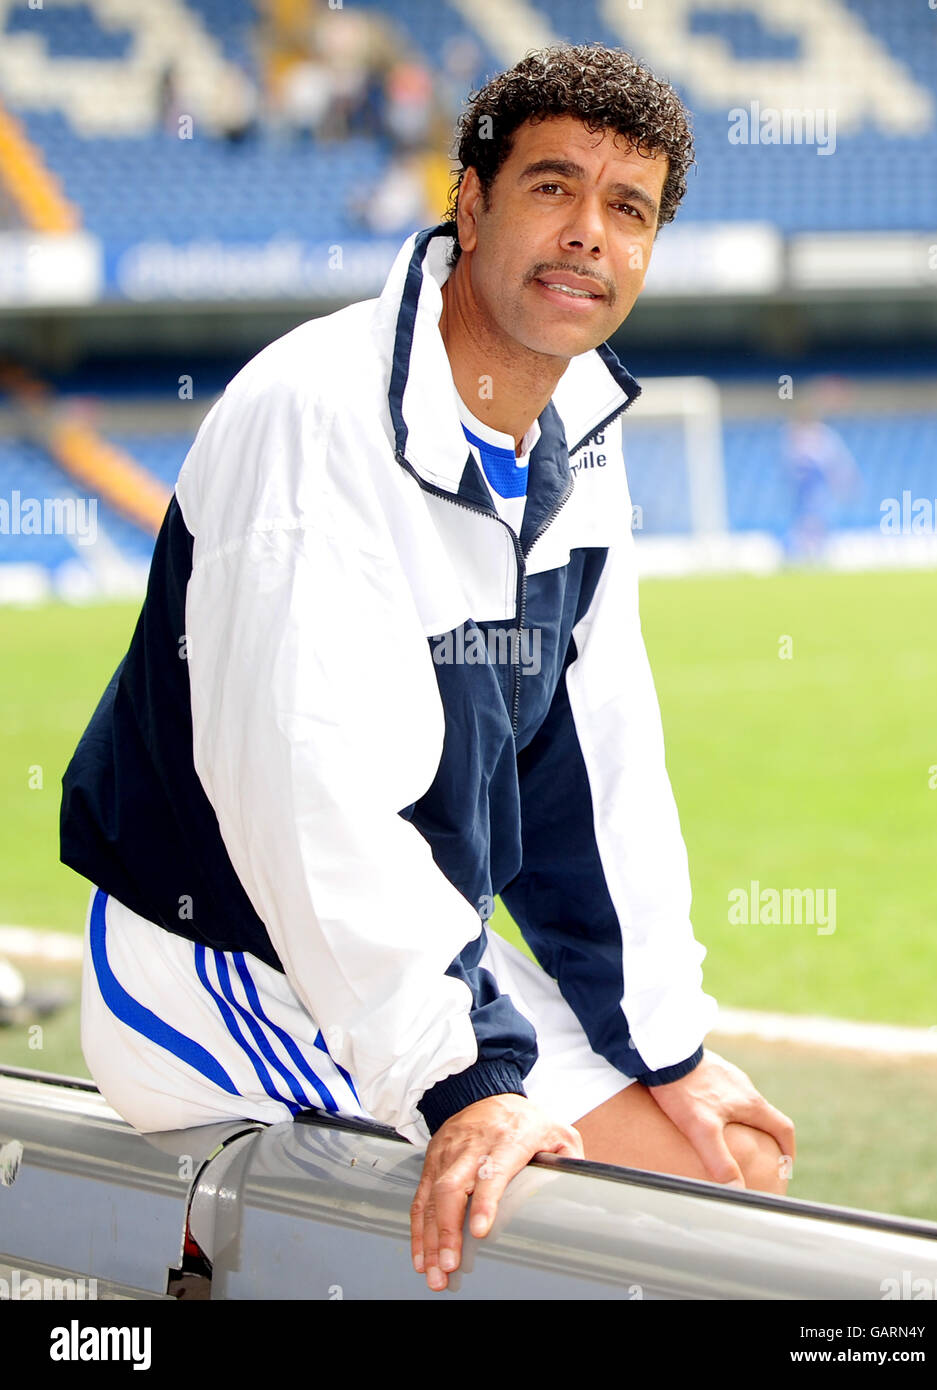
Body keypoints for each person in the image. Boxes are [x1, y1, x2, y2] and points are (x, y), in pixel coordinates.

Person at [60, 43, 795, 1294]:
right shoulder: (319, 419)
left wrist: (664, 1046)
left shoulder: (576, 436)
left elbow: (592, 776)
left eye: (628, 209)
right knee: (567, 1239)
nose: (589, 236)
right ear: (470, 200)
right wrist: (465, 1084)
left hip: (404, 941)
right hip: (232, 961)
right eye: (553, 188)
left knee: (724, 1167)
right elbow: (305, 810)